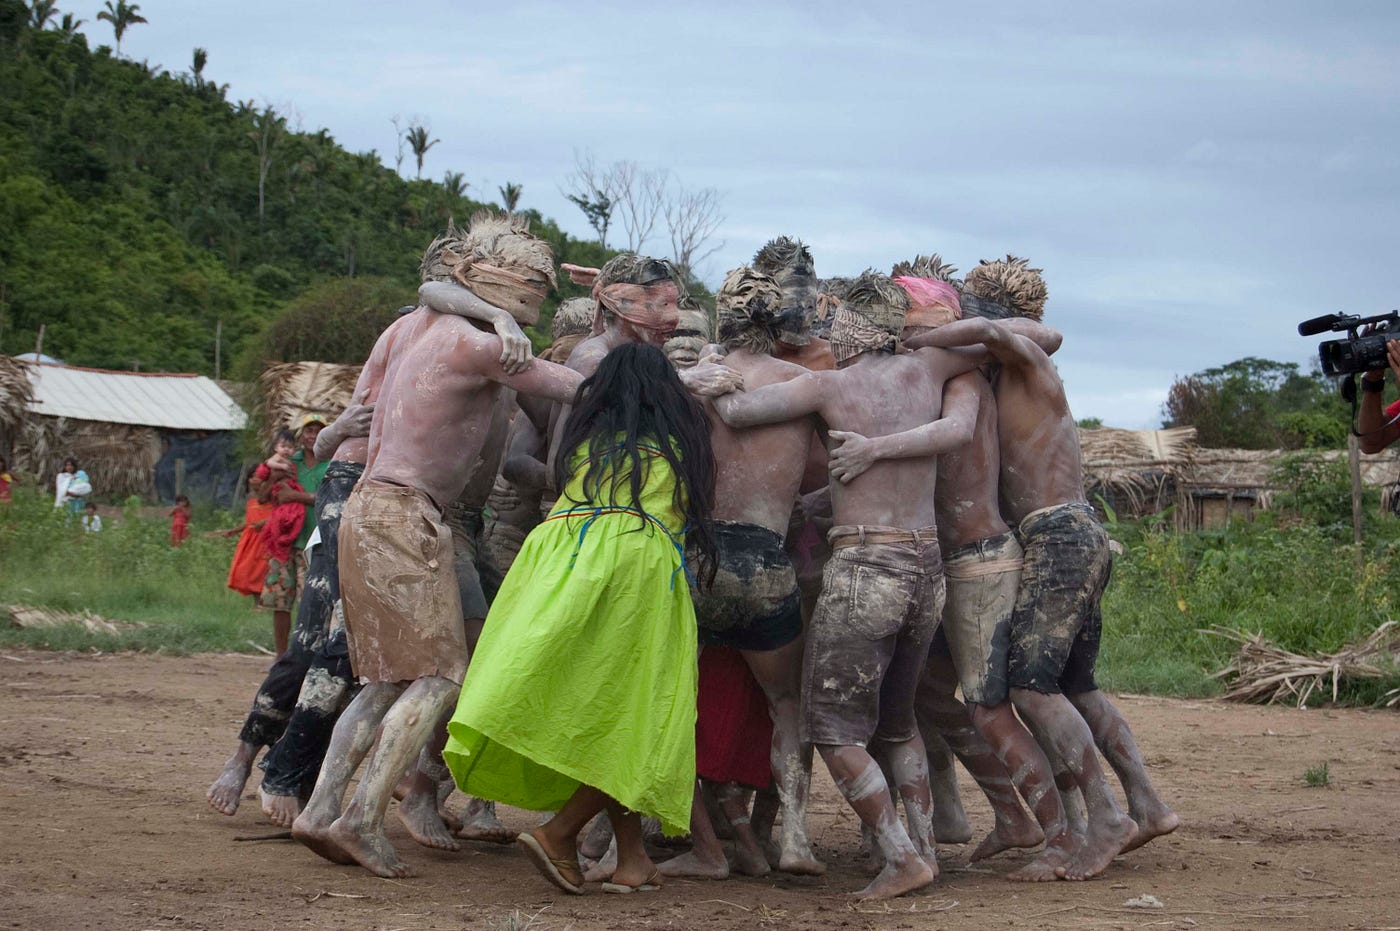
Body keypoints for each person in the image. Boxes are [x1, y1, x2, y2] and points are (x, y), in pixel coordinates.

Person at [291, 213, 587, 879]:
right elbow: (573, 385)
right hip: (406, 514)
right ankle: (361, 817)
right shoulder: (481, 345)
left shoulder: (415, 328)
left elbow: (432, 293)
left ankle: (321, 806)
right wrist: (660, 385)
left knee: (386, 679)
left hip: (371, 506)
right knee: (441, 676)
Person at [877, 256, 1177, 879]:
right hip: (1059, 535)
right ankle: (1145, 804)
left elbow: (1009, 335)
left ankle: (1102, 819)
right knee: (1073, 687)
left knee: (1030, 690)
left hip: (1059, 535)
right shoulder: (996, 377)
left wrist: (918, 337)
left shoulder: (1025, 360)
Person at [710, 270, 978, 900]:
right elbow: (1007, 353)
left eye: (834, 319)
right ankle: (925, 846)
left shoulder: (828, 385)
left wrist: (712, 372)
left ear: (849, 324)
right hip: (927, 569)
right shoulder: (933, 369)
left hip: (867, 569)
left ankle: (900, 855)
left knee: (832, 729)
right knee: (899, 720)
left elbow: (739, 412)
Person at [443, 342, 718, 896]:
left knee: (606, 709)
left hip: (557, 562)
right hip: (637, 568)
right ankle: (559, 833)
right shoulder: (678, 445)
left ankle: (633, 860)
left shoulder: (585, 446)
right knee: (638, 714)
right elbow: (688, 514)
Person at [659, 266, 823, 882]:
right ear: (781, 321)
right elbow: (833, 466)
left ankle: (702, 845)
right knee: (786, 703)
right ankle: (796, 838)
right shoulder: (803, 385)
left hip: (692, 557)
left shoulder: (687, 382)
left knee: (667, 703)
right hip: (763, 557)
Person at [252, 430, 307, 658]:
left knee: (309, 603)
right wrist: (273, 479)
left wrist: (296, 498)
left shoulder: (329, 463)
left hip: (310, 543)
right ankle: (281, 656)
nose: (313, 436)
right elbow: (262, 496)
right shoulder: (285, 465)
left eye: (318, 431)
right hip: (282, 543)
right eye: (309, 431)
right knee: (280, 601)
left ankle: (303, 655)